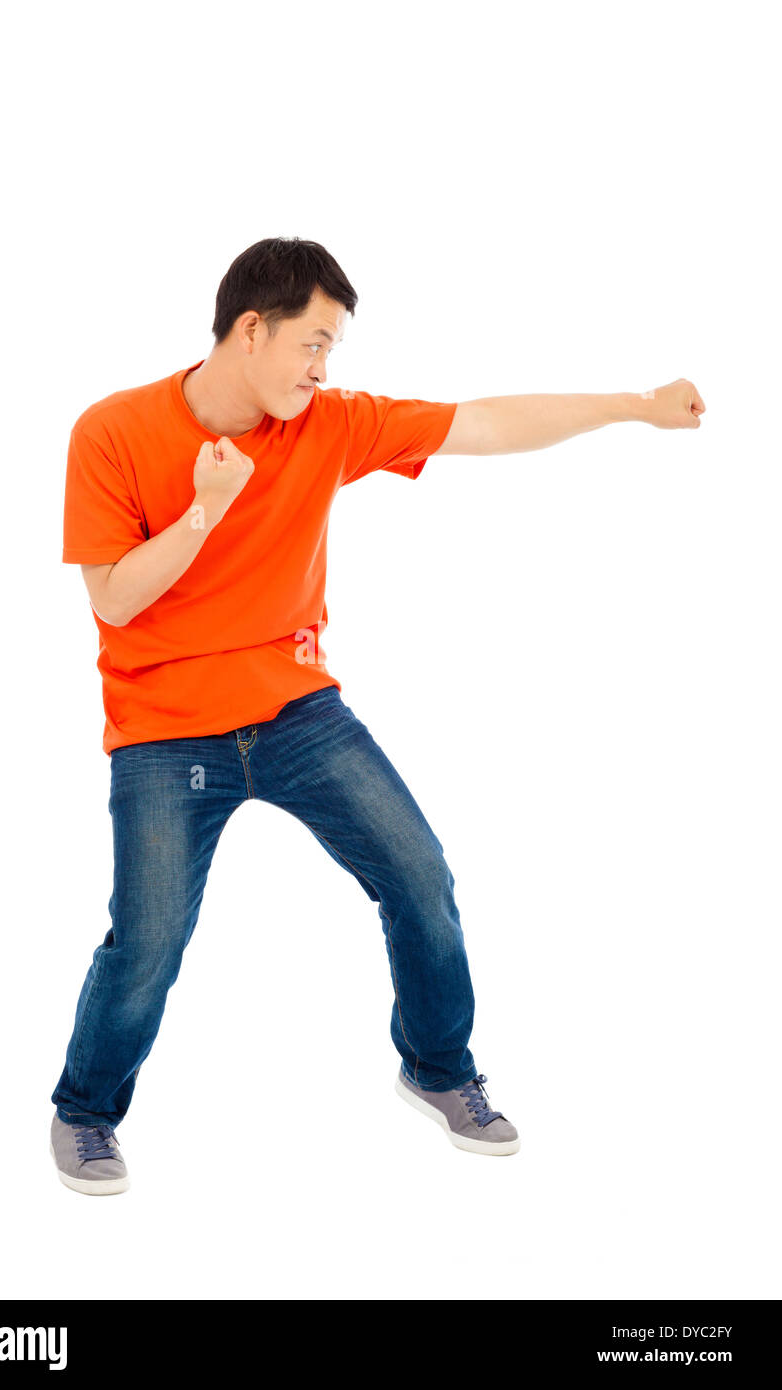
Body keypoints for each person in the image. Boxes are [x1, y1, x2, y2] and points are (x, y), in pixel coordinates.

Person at [49, 236, 706, 1195]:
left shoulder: (331, 424)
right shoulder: (111, 430)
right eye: (313, 345)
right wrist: (204, 511)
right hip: (164, 729)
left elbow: (481, 424)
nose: (323, 370)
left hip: (297, 711)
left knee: (420, 875)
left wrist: (633, 409)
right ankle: (84, 1111)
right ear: (250, 330)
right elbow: (112, 601)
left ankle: (438, 1068)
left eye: (333, 352)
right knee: (147, 938)